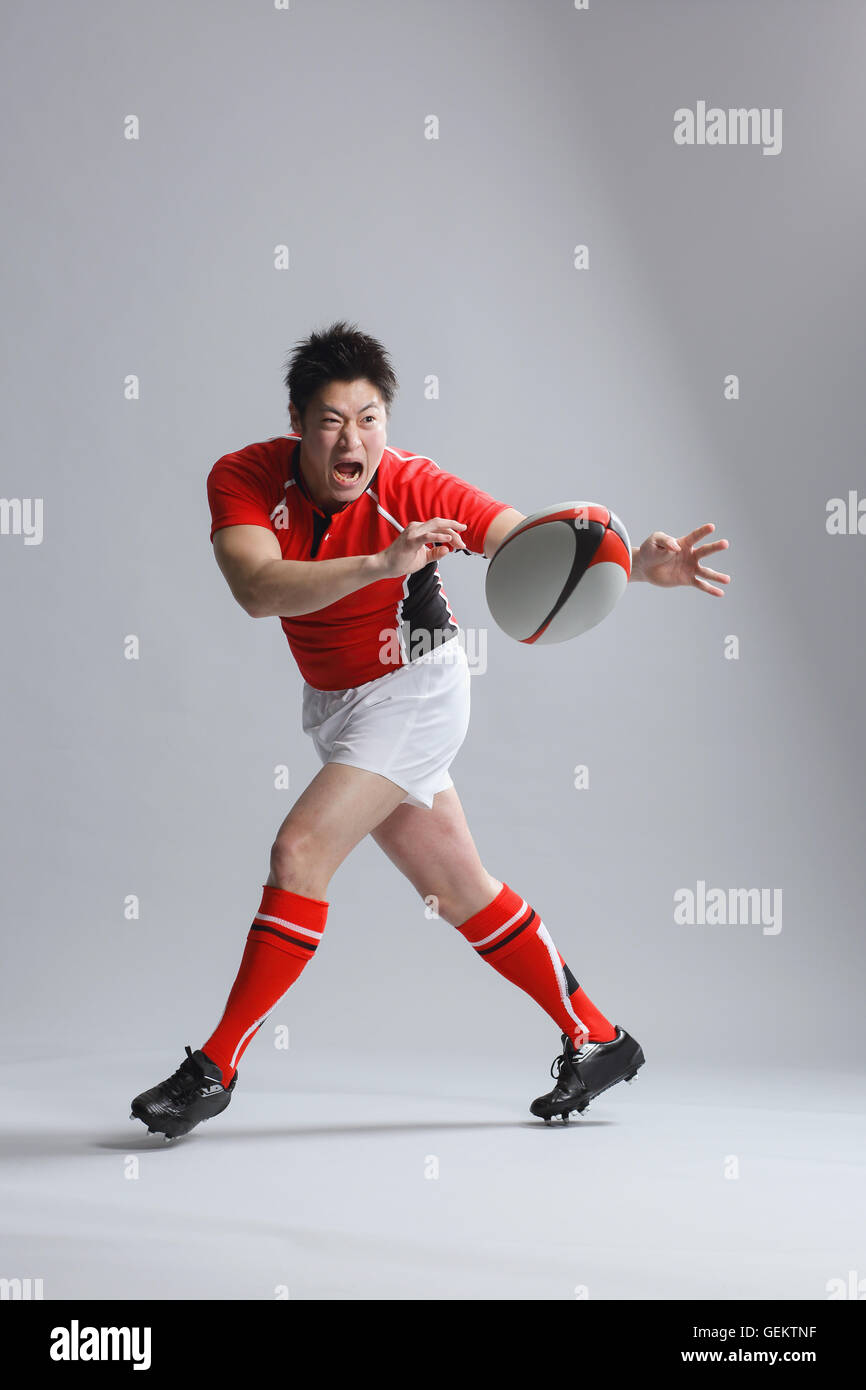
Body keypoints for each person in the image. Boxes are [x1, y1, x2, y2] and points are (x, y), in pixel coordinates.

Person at [130, 320, 730, 1140]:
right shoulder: (243, 476)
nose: (354, 438)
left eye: (371, 418)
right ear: (299, 424)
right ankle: (598, 1037)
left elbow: (533, 542)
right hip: (339, 702)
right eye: (334, 420)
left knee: (299, 852)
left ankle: (216, 1066)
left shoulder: (413, 486)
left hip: (416, 687)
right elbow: (257, 588)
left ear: (388, 422)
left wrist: (635, 565)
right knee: (458, 888)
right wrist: (381, 564)